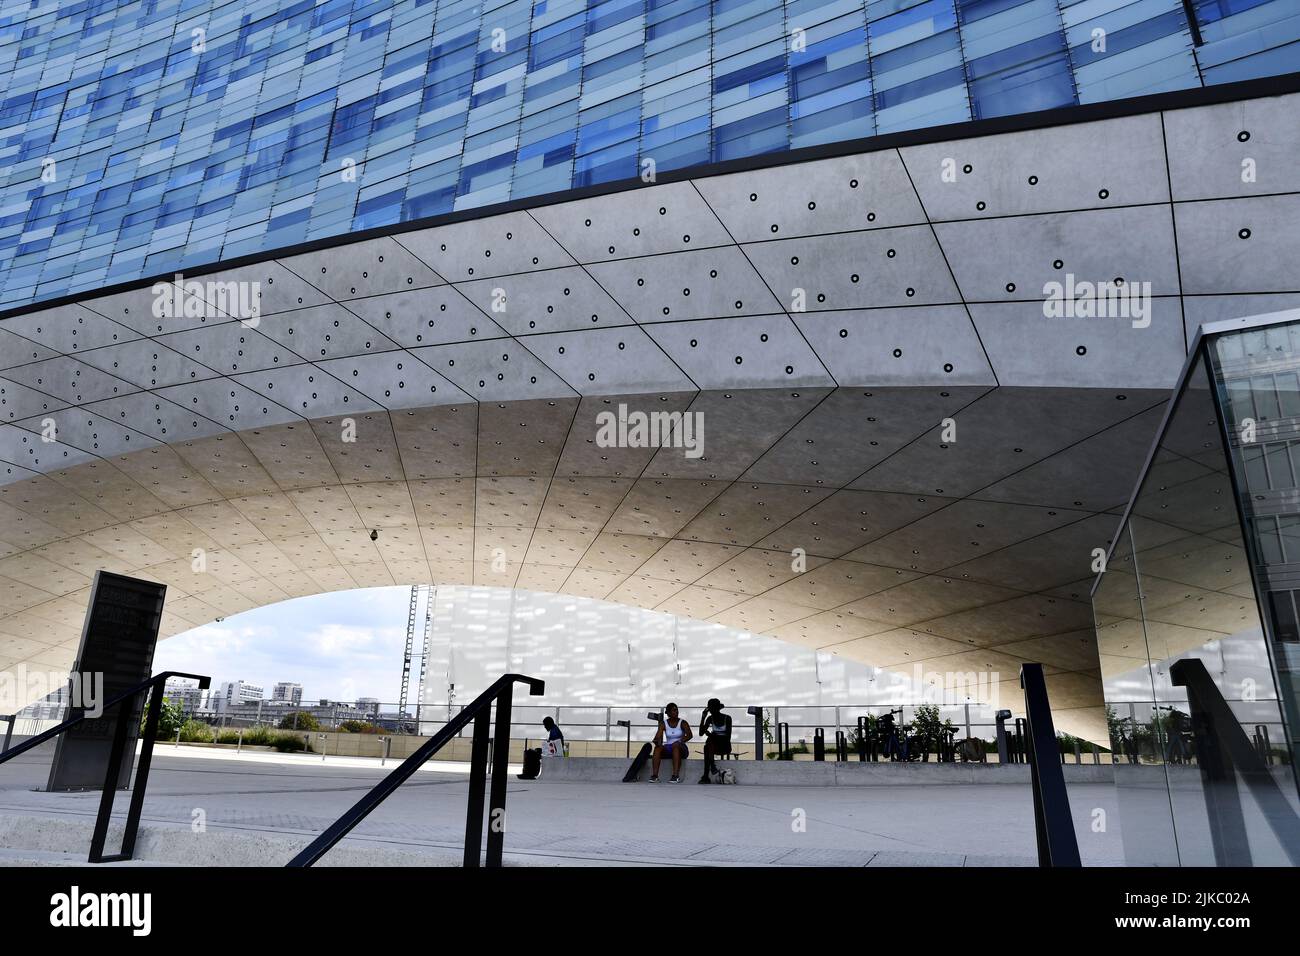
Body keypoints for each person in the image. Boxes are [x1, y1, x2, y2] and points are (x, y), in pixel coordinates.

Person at [650, 702, 692, 783]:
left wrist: (680, 741)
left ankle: (675, 776)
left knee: (675, 746)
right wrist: (656, 741)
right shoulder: (663, 723)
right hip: (669, 747)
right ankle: (654, 776)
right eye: (674, 710)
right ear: (668, 713)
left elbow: (690, 735)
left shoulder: (683, 722)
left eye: (677, 710)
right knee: (658, 748)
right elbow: (657, 736)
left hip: (681, 748)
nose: (676, 712)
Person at [698, 698, 732, 783]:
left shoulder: (727, 718)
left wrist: (712, 735)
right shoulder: (710, 718)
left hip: (724, 746)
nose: (711, 711)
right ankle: (712, 767)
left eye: (712, 709)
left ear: (718, 708)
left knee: (709, 742)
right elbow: (701, 733)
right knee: (708, 746)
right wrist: (703, 718)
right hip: (713, 747)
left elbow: (728, 737)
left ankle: (706, 776)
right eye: (710, 709)